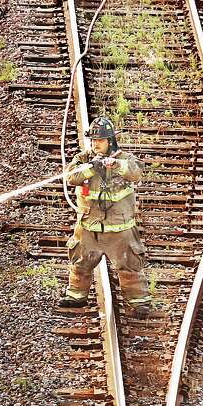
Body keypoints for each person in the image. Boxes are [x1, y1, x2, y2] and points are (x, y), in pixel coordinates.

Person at [60, 116, 160, 319]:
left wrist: (116, 165)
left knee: (129, 266)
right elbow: (71, 177)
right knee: (80, 263)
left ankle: (139, 303)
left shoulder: (125, 159)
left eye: (100, 140)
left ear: (110, 141)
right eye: (93, 140)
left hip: (119, 228)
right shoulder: (83, 159)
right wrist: (91, 168)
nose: (95, 144)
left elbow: (135, 173)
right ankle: (76, 296)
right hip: (89, 227)